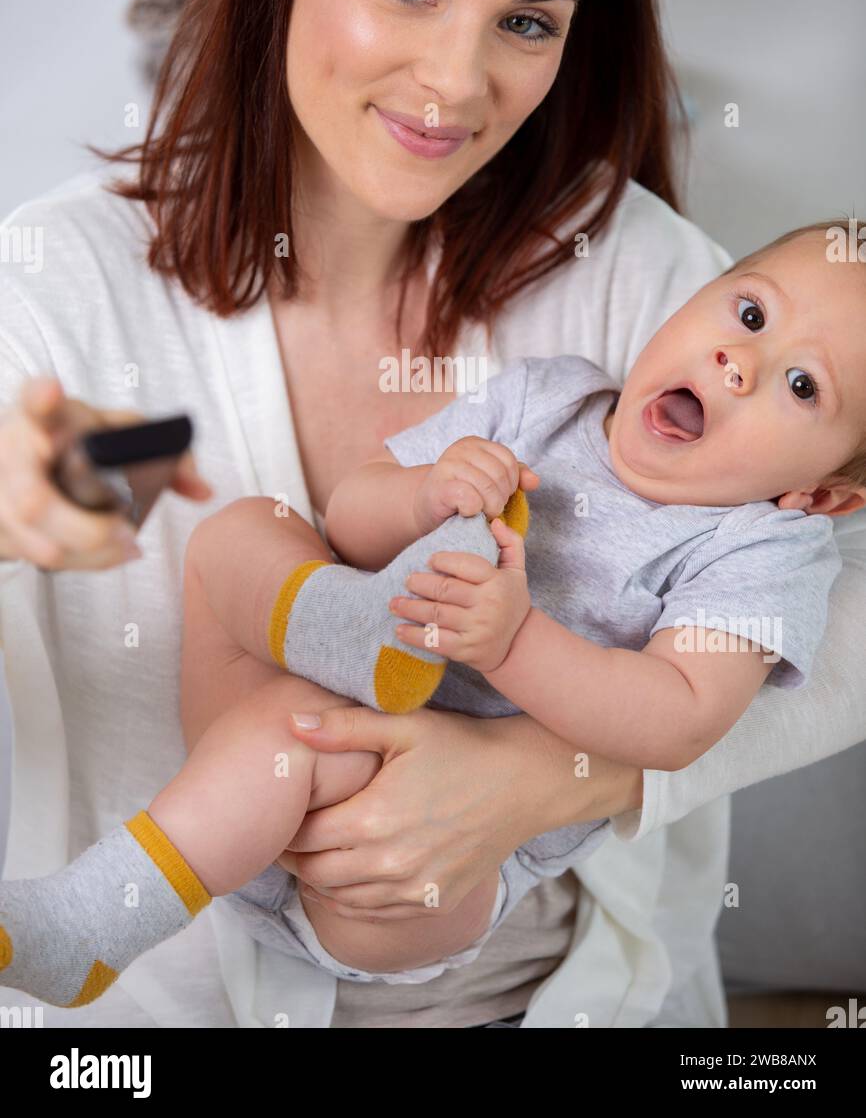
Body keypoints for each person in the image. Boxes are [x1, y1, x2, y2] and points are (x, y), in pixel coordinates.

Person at [0, 0, 863, 1029]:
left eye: (526, 20)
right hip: (161, 1020)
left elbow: (816, 613)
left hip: (541, 998)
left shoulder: (631, 271)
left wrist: (553, 772)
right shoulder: (54, 279)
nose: (458, 83)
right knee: (251, 545)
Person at [1, 221, 863, 1010]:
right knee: (245, 530)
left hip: (417, 869)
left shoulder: (759, 547)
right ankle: (358, 630)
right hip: (251, 754)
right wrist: (425, 492)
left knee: (294, 734)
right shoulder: (547, 399)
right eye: (748, 313)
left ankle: (85, 926)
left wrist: (515, 642)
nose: (736, 366)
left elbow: (681, 716)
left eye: (799, 385)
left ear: (819, 493)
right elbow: (349, 517)